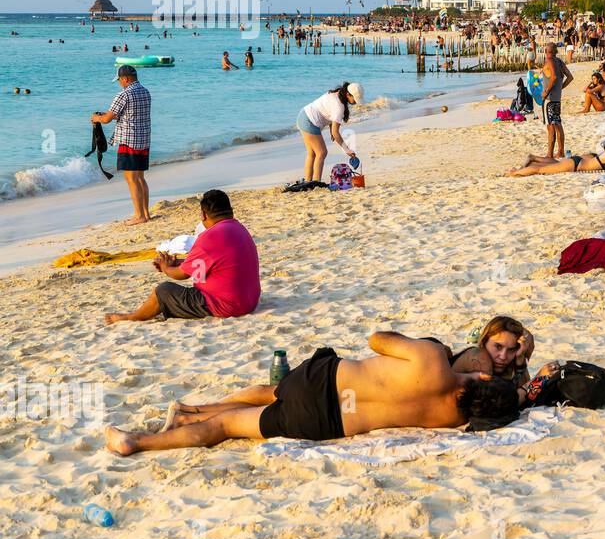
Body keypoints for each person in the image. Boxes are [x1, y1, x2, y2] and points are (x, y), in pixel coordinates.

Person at [103, 330, 523, 455]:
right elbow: (512, 400)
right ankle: (141, 441)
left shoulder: (433, 358)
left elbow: (378, 339)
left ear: (483, 379)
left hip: (326, 381)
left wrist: (427, 346)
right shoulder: (455, 420)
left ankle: (185, 413)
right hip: (329, 423)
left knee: (271, 390)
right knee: (230, 426)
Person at [105, 190, 261, 324]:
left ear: (203, 215)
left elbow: (182, 275)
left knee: (163, 291)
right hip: (249, 301)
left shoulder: (210, 237)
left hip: (226, 306)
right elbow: (207, 265)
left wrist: (167, 268)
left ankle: (130, 317)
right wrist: (177, 262)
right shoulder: (239, 228)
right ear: (230, 210)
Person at [92, 64, 151, 224]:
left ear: (125, 79)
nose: (119, 83)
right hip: (143, 139)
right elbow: (128, 114)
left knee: (131, 179)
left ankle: (139, 216)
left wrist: (96, 118)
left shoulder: (124, 95)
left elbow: (106, 119)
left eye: (119, 80)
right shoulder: (145, 92)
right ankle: (145, 213)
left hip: (128, 140)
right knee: (140, 178)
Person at [297, 82, 363, 183]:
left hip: (303, 116)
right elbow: (335, 133)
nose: (355, 102)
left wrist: (332, 127)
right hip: (309, 122)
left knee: (312, 153)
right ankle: (316, 182)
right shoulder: (340, 107)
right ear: (348, 94)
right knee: (322, 153)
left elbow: (327, 110)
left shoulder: (338, 93)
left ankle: (308, 181)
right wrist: (347, 149)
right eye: (354, 99)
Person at [541, 43, 573, 158]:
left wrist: (546, 91)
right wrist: (560, 87)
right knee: (558, 124)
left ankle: (549, 154)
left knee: (550, 127)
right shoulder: (559, 62)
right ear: (556, 52)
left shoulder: (549, 61)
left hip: (549, 99)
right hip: (556, 99)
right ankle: (560, 151)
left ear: (545, 51)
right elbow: (570, 77)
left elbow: (553, 77)